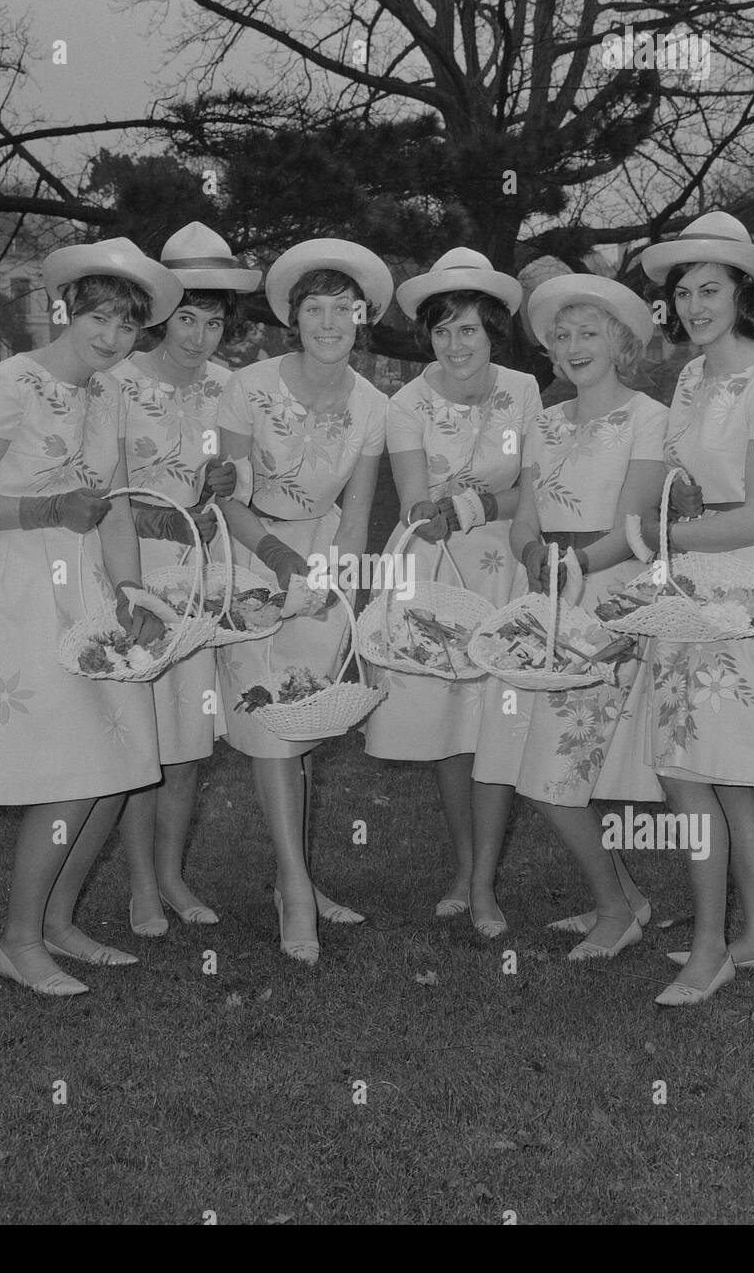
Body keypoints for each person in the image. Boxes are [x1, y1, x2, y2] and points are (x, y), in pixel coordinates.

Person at [0, 237, 183, 997]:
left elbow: (116, 512)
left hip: (82, 588)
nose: (109, 336)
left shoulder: (111, 397)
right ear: (66, 310)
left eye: (127, 327)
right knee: (70, 770)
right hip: (6, 583)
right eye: (98, 316)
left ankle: (62, 922)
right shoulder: (5, 386)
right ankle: (18, 940)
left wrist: (137, 596)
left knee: (119, 759)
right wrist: (47, 507)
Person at [637, 212, 754, 1006]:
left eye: (709, 289)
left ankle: (710, 949)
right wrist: (662, 543)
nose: (693, 305)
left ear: (741, 293)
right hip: (691, 573)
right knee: (711, 771)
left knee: (694, 768)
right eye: (682, 293)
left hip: (749, 582)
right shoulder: (689, 376)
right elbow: (680, 475)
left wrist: (667, 538)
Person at [473, 275, 666, 958]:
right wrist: (529, 551)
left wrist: (573, 565)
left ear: (621, 342)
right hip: (539, 604)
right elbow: (524, 515)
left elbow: (633, 525)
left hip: (607, 604)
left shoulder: (648, 417)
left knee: (554, 778)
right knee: (527, 762)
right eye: (560, 335)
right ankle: (627, 900)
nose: (572, 345)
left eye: (589, 332)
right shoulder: (544, 422)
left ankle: (615, 910)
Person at [214, 238, 393, 964]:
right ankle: (294, 885)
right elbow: (225, 498)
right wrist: (278, 561)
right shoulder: (248, 387)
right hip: (252, 554)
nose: (327, 322)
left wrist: (339, 592)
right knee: (270, 730)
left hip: (322, 561)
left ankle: (299, 879)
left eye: (340, 308)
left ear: (361, 316)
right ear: (294, 317)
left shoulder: (375, 405)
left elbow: (356, 512)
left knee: (305, 718)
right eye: (312, 309)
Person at [363, 248, 541, 936]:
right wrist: (435, 513)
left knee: (496, 725)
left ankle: (485, 882)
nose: (455, 343)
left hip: (504, 564)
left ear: (491, 328)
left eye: (468, 328)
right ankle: (464, 868)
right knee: (450, 732)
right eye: (441, 331)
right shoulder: (405, 403)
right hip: (433, 572)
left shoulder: (522, 390)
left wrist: (473, 507)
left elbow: (533, 486)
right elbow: (412, 504)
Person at [101, 224, 258, 936]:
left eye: (215, 321)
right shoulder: (117, 382)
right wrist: (156, 530)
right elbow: (101, 491)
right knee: (143, 739)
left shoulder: (231, 388)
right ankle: (139, 886)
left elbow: (239, 483)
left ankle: (171, 874)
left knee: (190, 740)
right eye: (187, 319)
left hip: (204, 580)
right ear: (162, 315)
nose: (199, 337)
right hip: (138, 574)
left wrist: (231, 477)